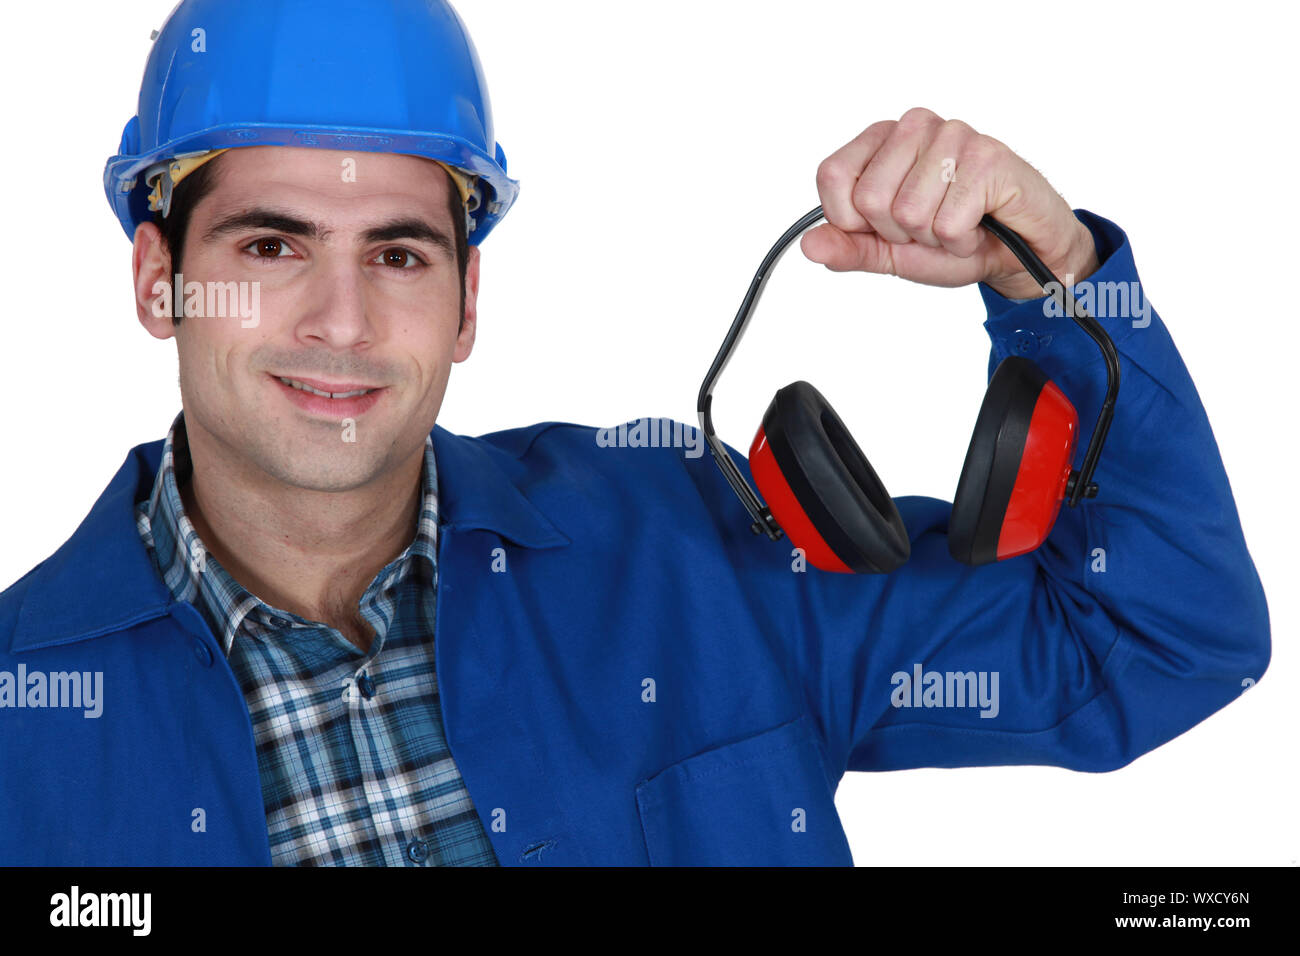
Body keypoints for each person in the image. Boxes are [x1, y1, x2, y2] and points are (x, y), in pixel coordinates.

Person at [0, 0, 1269, 866]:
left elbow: (1159, 634)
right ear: (158, 279)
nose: (341, 321)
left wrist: (1058, 281)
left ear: (466, 302)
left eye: (398, 252)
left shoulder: (699, 544)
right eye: (271, 244)